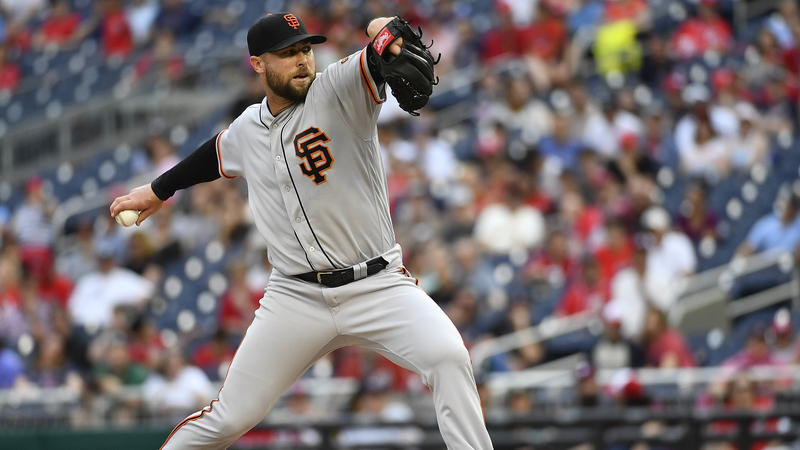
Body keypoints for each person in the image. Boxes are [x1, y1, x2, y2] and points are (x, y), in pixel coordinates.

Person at [110, 13, 493, 449]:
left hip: (378, 285)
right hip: (295, 298)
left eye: (306, 49)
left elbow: (387, 39)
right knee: (230, 417)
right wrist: (159, 190)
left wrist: (382, 27)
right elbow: (212, 154)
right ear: (258, 64)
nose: (302, 60)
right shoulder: (247, 128)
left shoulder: (339, 87)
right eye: (288, 53)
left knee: (448, 357)